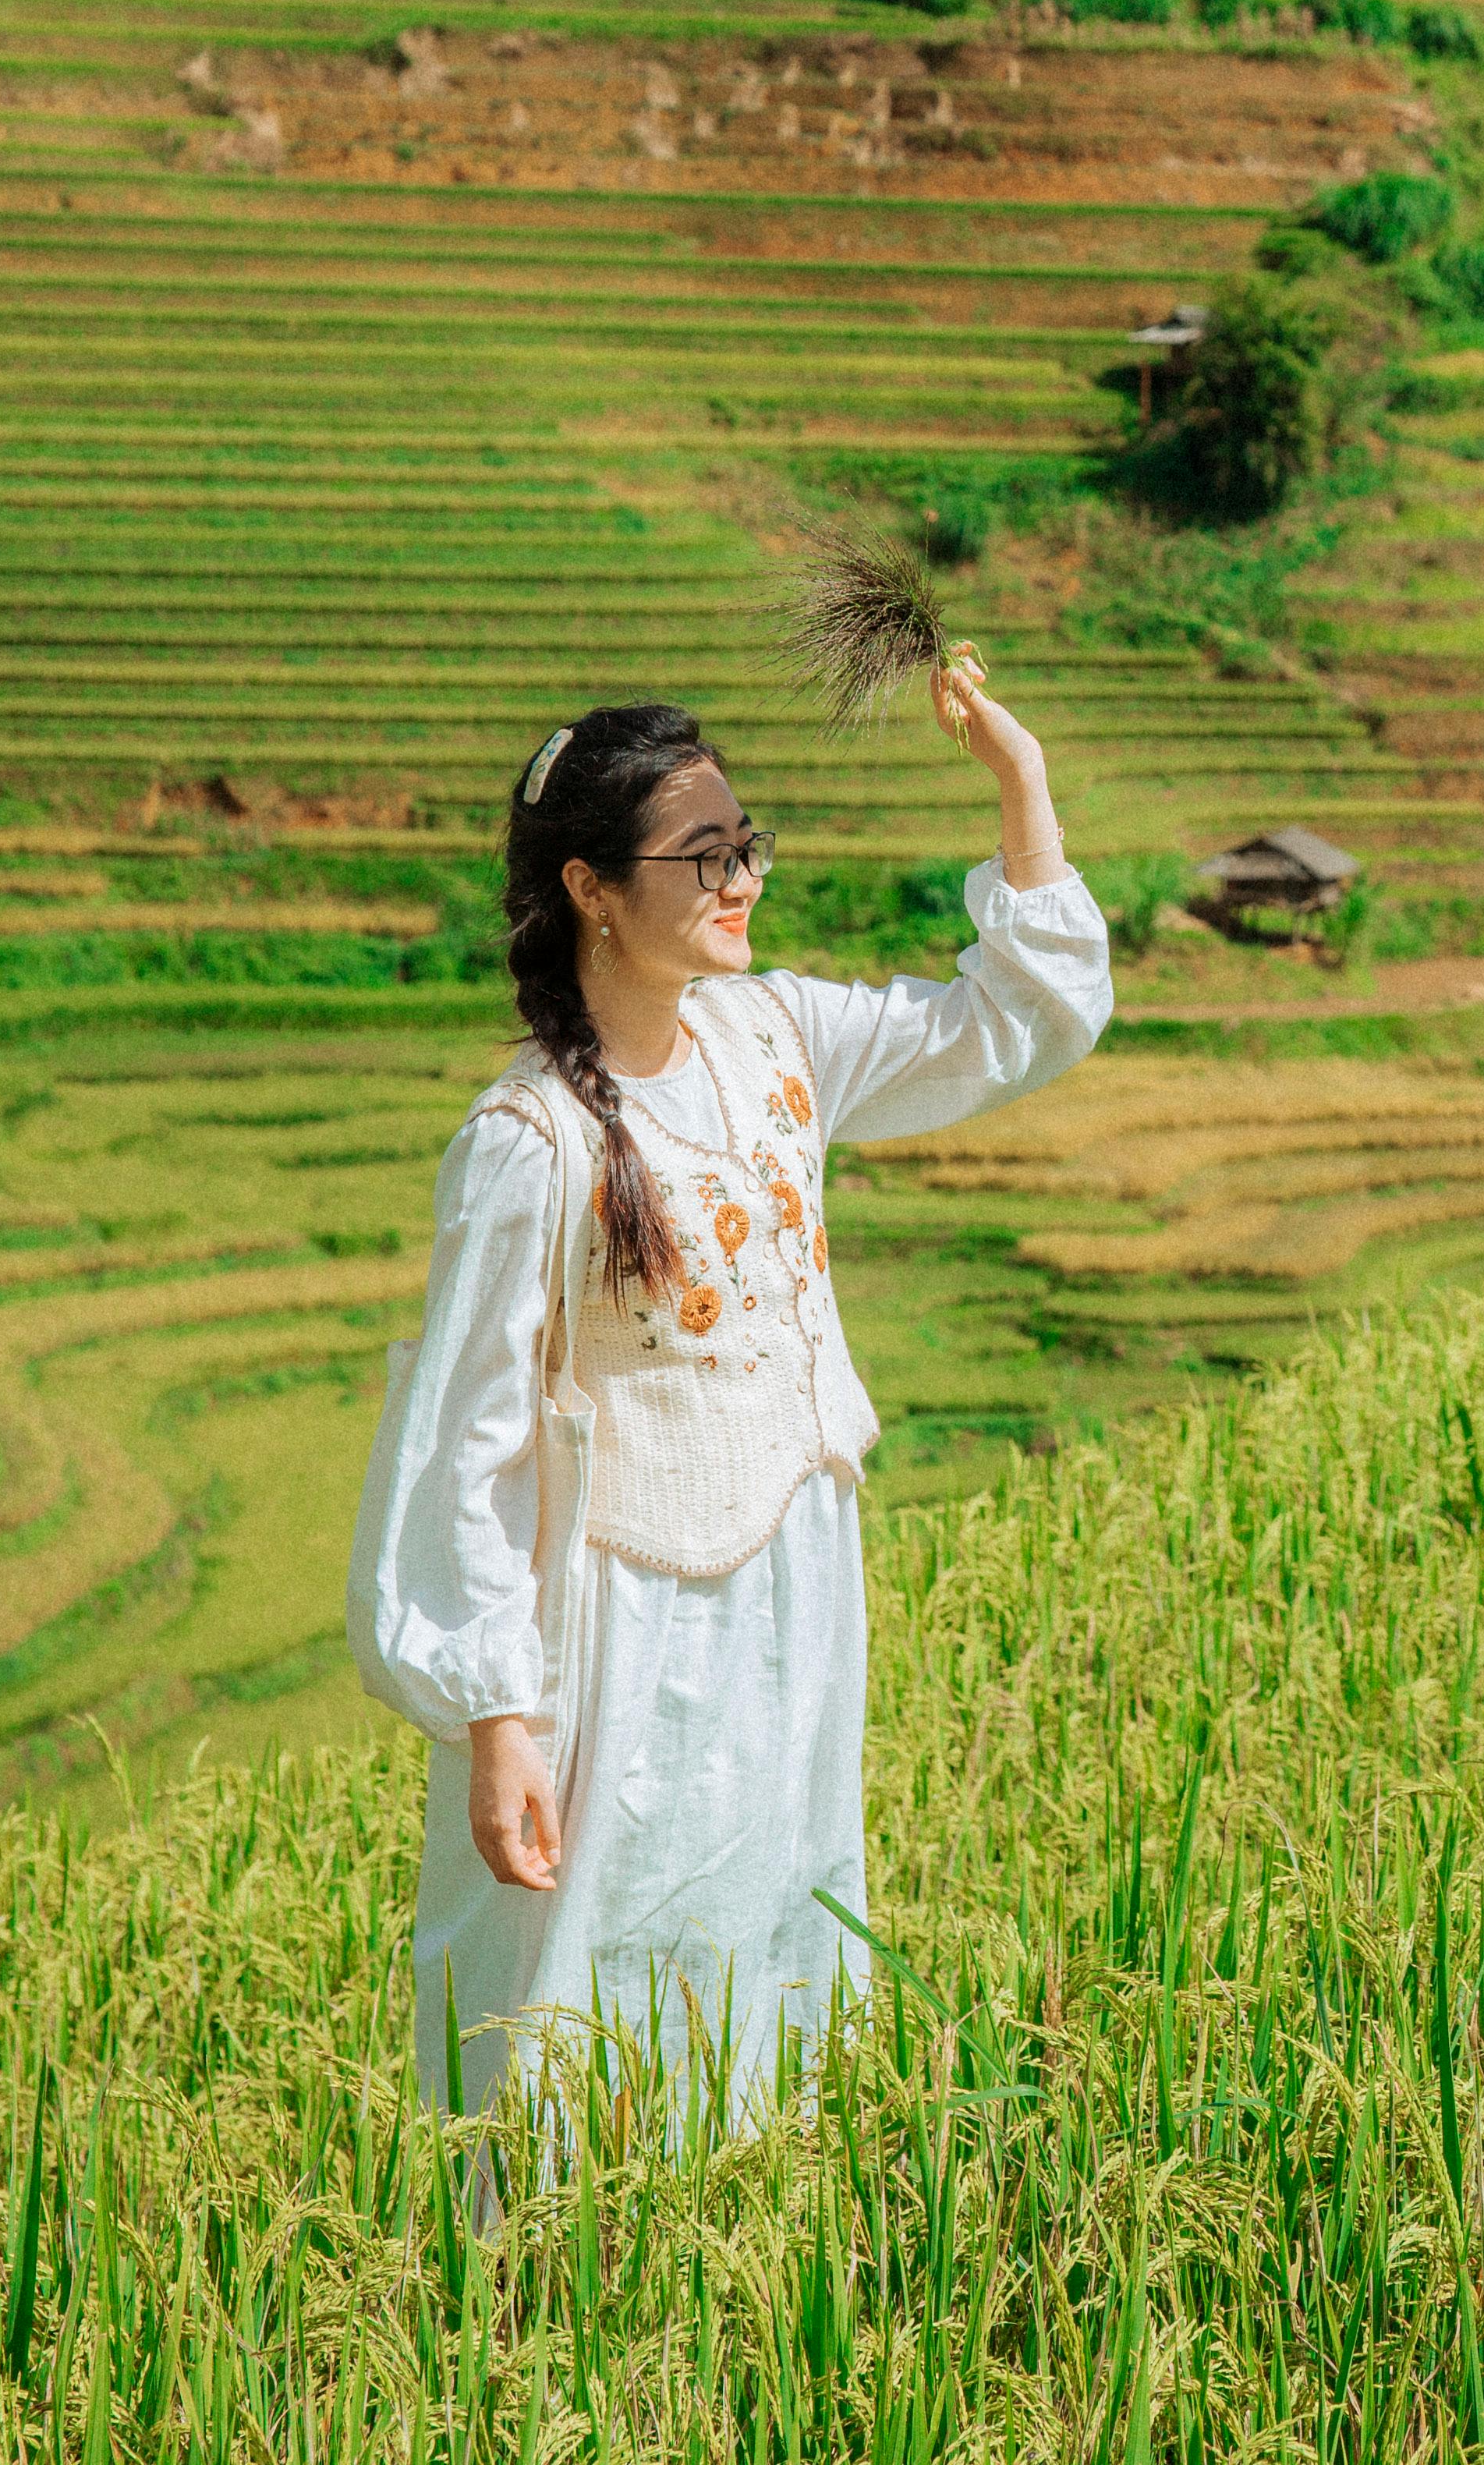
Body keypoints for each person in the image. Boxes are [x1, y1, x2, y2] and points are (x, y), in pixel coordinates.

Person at [345, 668, 1107, 2133]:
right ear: (591, 890)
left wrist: (1019, 785)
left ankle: (736, 2279)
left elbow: (1016, 1023)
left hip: (795, 1595)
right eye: (702, 859)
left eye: (744, 843)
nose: (742, 877)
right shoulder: (532, 1142)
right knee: (596, 1984)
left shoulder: (776, 1039)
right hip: (622, 1633)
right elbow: (463, 1442)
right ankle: (548, 2304)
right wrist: (496, 1715)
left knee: (771, 1933)